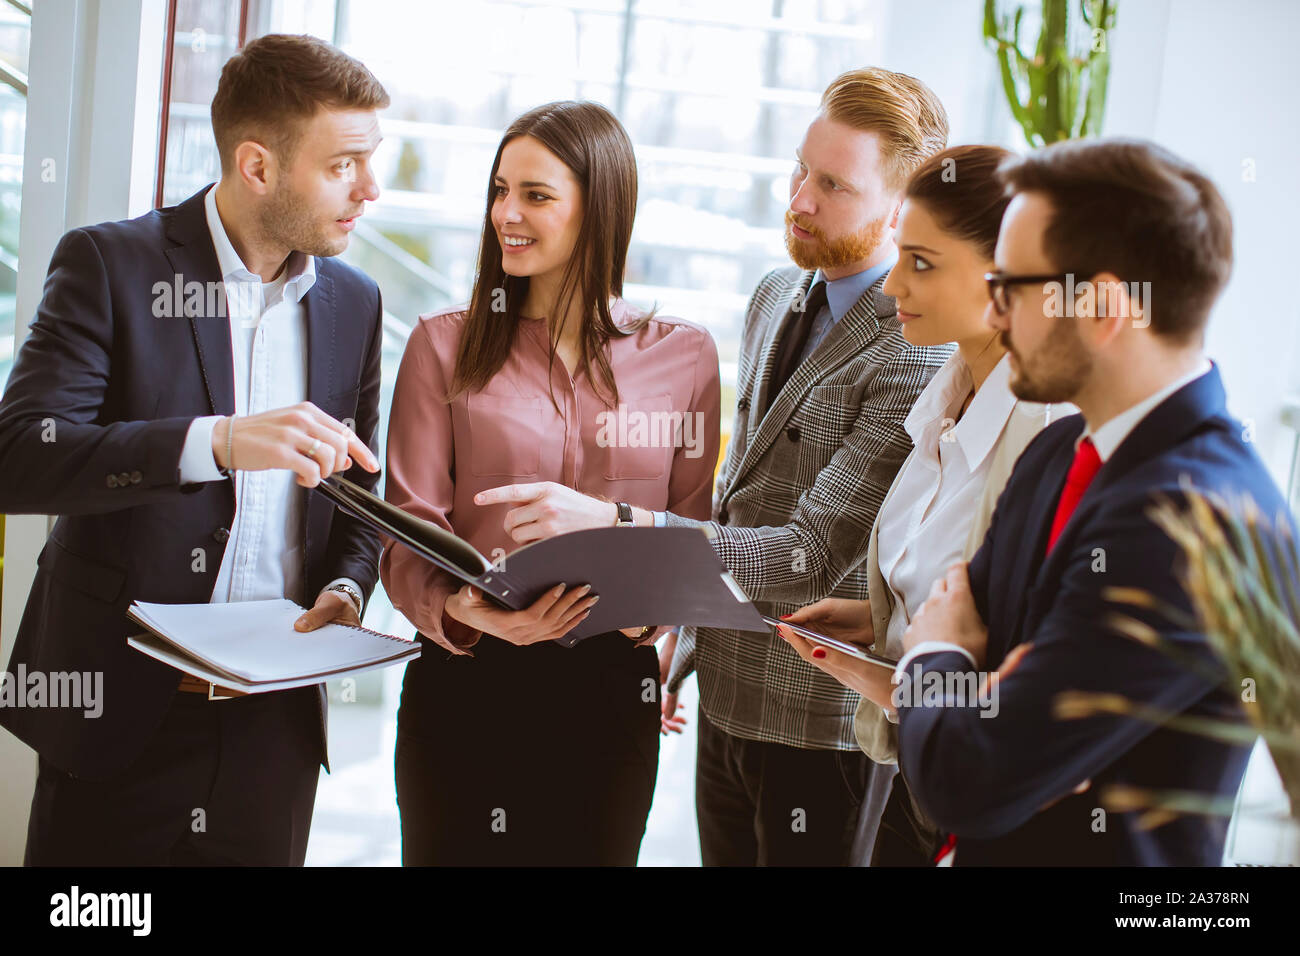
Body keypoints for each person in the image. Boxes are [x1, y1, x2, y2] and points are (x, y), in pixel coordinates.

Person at [478, 68, 953, 866]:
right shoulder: (776, 294)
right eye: (801, 169)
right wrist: (688, 638)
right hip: (726, 699)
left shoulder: (918, 345)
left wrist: (617, 523)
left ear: (903, 208)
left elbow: (810, 553)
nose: (798, 199)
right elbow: (742, 501)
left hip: (818, 717)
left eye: (833, 185)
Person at [0, 34, 388, 865]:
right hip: (119, 716)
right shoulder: (111, 263)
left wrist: (350, 590)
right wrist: (215, 442)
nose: (370, 189)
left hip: (273, 730)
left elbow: (364, 494)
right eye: (344, 165)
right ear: (257, 166)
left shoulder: (355, 300)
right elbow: (21, 458)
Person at [889, 137, 1297, 865]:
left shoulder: (1190, 517)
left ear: (1104, 307)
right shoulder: (1056, 451)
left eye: (1010, 286)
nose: (994, 311)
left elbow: (969, 773)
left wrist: (939, 655)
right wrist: (986, 705)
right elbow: (986, 732)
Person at [379, 100, 720, 866]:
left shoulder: (685, 358)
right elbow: (405, 531)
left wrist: (648, 622)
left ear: (598, 207)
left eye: (535, 195)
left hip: (607, 698)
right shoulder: (442, 346)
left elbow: (695, 536)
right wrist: (463, 611)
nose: (507, 213)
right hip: (466, 684)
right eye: (500, 191)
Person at [776, 144, 1071, 865]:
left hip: (980, 802)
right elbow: (954, 597)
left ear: (1006, 279)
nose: (890, 286)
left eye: (923, 262)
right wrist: (879, 622)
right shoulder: (943, 397)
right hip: (909, 769)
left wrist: (883, 672)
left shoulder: (1050, 435)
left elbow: (1022, 674)